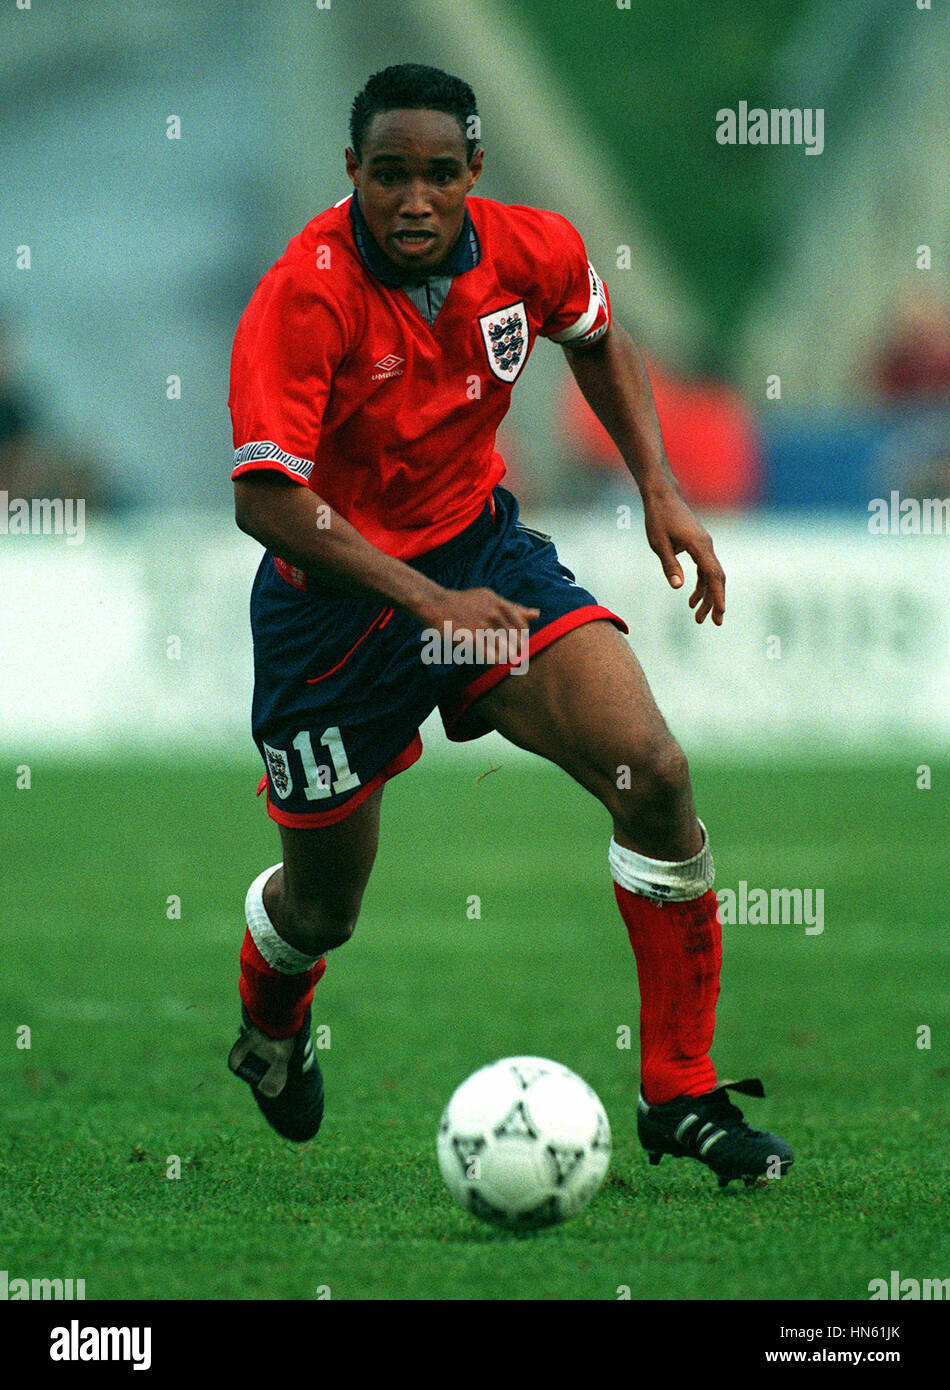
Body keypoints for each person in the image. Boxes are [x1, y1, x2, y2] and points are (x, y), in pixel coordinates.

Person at [226, 64, 792, 1188]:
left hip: (480, 563)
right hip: (333, 618)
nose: (415, 200)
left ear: (475, 173)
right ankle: (271, 1028)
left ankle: (676, 1089)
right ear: (353, 175)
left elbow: (597, 337)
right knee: (324, 907)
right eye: (390, 175)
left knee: (652, 771)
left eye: (440, 175)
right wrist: (426, 602)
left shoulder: (526, 248)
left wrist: (657, 487)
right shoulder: (307, 293)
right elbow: (264, 500)